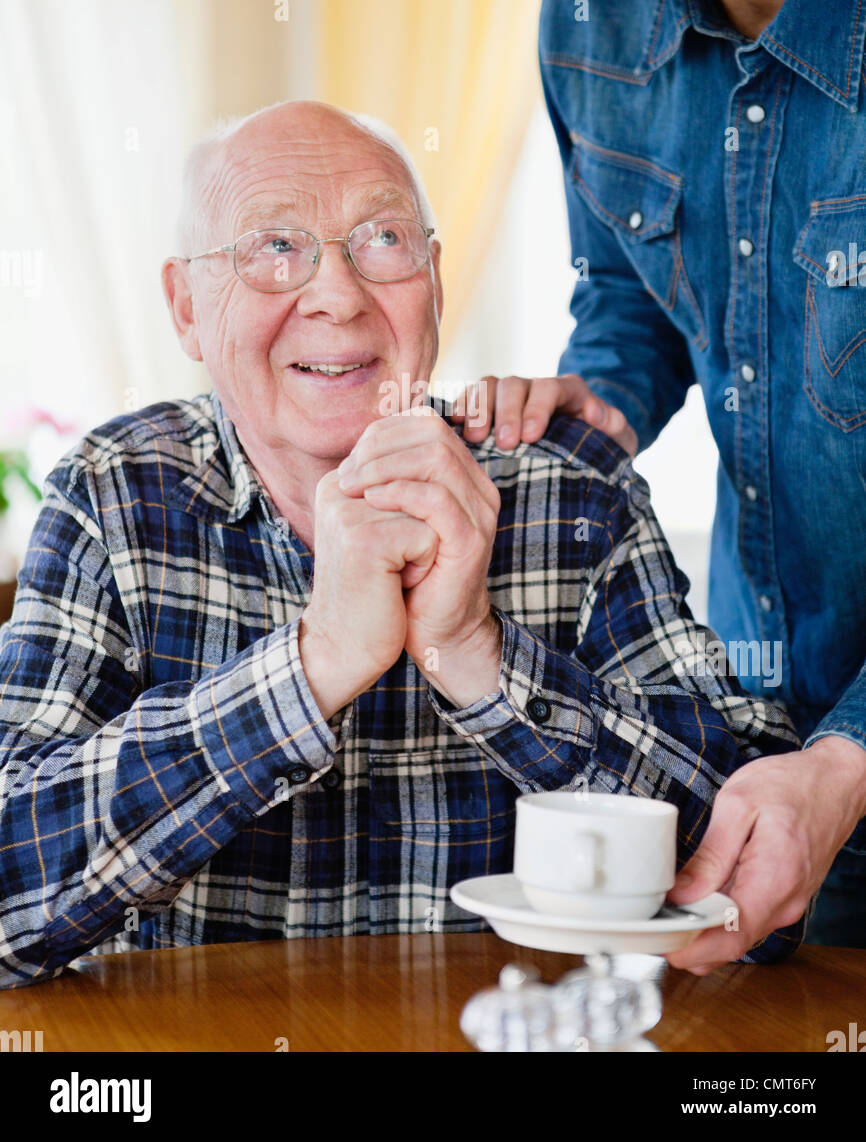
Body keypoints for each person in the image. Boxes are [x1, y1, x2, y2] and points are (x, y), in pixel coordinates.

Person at [0, 101, 804, 988]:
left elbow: (765, 880)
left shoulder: (570, 490)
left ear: (434, 279)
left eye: (382, 239)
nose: (339, 297)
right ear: (187, 307)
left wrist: (481, 659)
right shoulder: (117, 491)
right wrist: (310, 668)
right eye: (275, 248)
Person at [459, 0, 866, 967]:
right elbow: (630, 299)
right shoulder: (586, 11)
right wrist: (602, 398)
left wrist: (846, 761)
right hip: (761, 778)